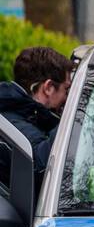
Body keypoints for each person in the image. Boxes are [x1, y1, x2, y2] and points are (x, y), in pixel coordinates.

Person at [0, 46, 73, 176]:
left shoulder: (25, 115)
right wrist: (74, 116)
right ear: (48, 87)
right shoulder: (13, 124)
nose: (67, 98)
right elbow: (41, 166)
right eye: (66, 89)